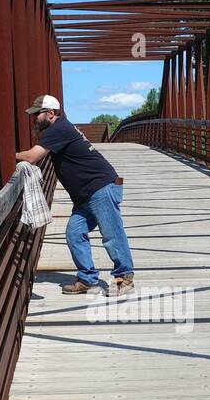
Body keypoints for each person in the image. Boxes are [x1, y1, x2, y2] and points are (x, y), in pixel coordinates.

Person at [16, 94, 135, 296]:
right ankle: (87, 279)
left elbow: (32, 157)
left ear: (51, 114)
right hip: (86, 195)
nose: (34, 118)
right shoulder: (60, 128)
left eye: (37, 114)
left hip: (100, 187)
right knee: (74, 233)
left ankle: (124, 280)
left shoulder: (58, 128)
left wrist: (4, 156)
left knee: (112, 235)